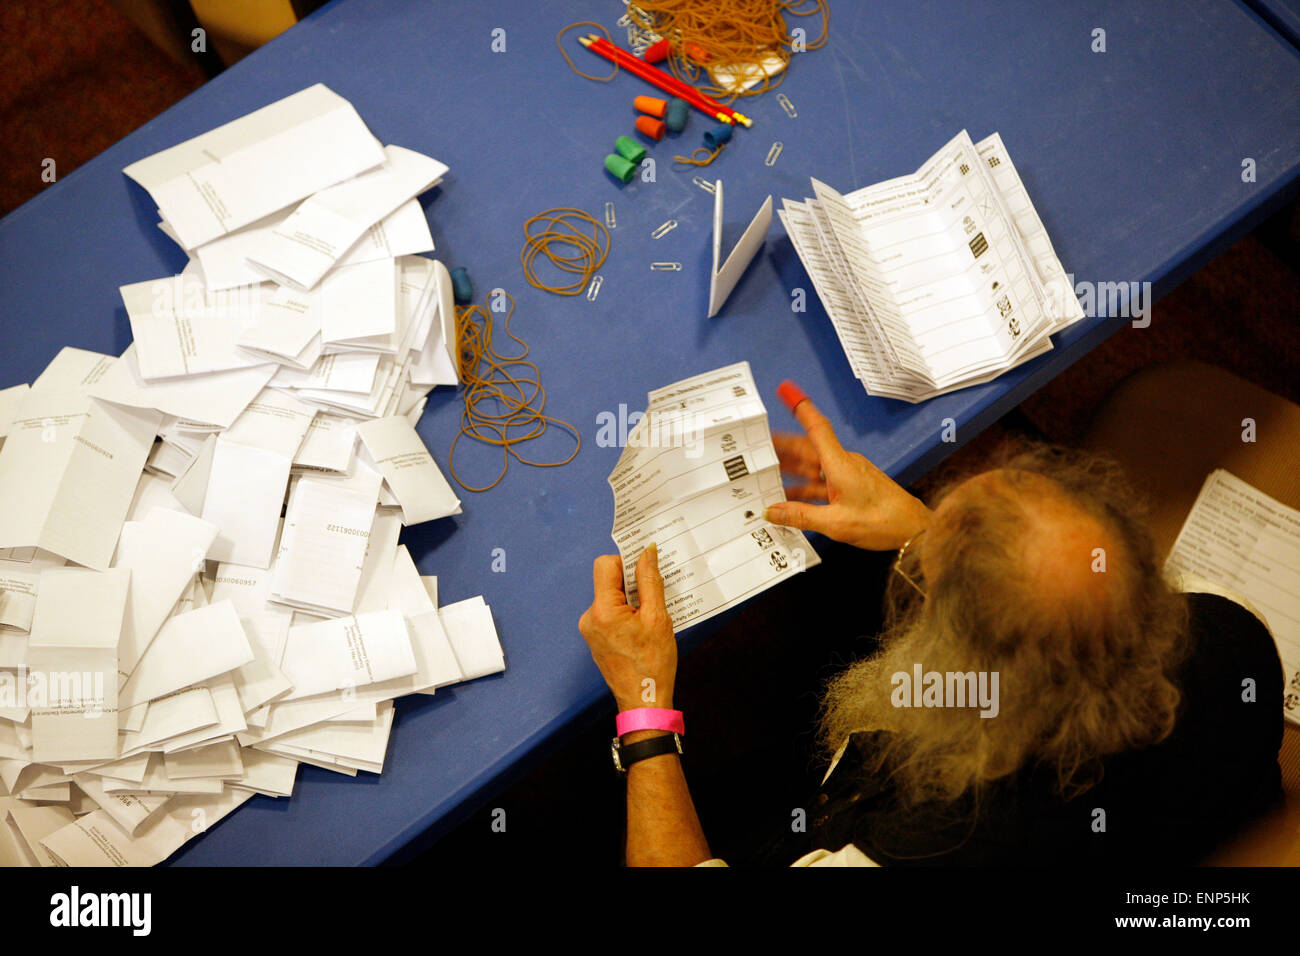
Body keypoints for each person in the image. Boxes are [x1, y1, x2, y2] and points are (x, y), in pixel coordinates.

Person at [578, 386, 1284, 866]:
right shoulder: (1236, 634)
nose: (915, 551)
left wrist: (645, 713)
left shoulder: (925, 845)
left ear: (957, 680)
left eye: (925, 568)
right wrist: (924, 533)